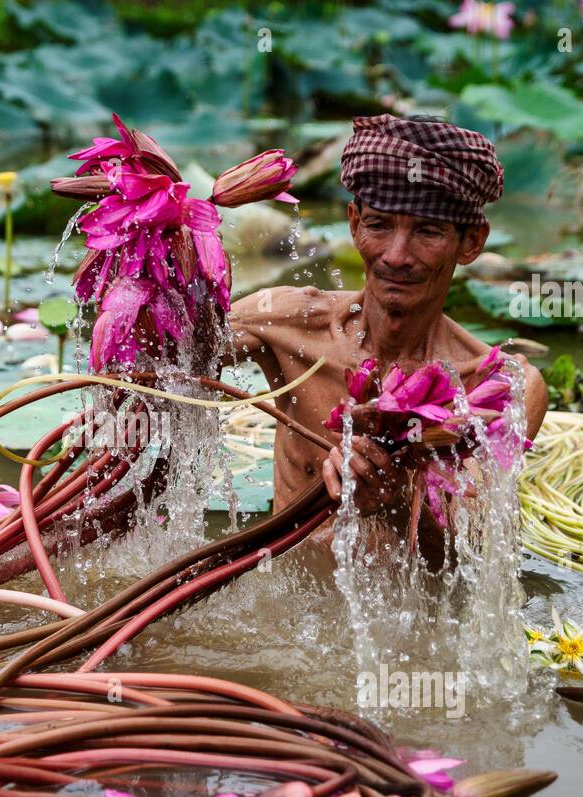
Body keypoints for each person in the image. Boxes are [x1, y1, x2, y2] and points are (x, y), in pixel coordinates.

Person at [227, 114, 548, 564]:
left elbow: (467, 558)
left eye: (428, 231)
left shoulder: (503, 386)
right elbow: (157, 357)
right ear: (354, 223)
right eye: (379, 225)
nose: (396, 256)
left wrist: (397, 501)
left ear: (471, 242)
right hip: (284, 615)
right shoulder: (285, 322)